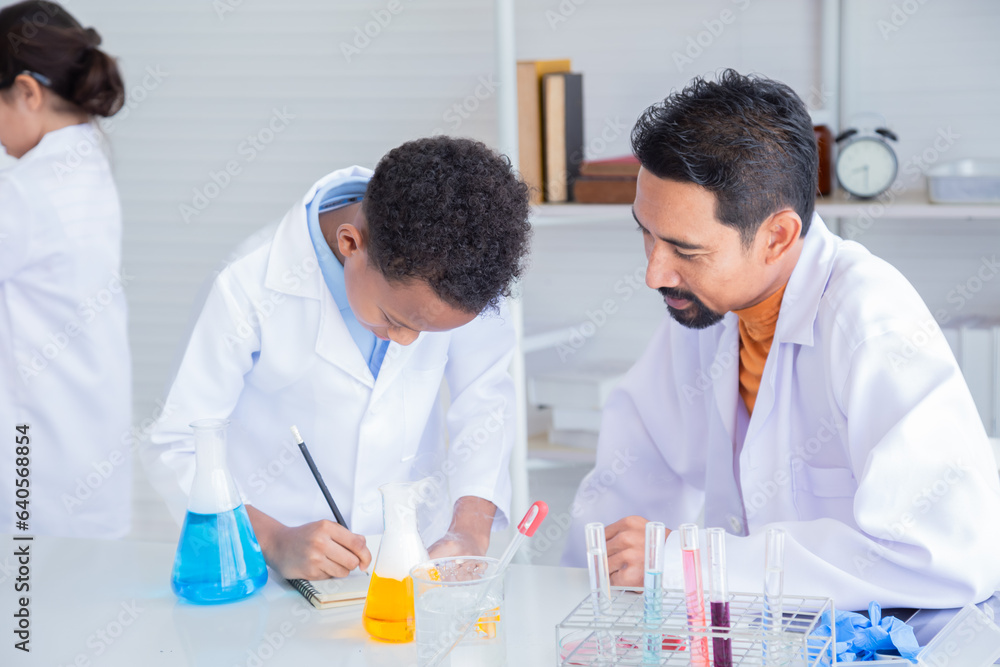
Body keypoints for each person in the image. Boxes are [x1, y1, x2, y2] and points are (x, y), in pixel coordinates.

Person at [562, 69, 1000, 610]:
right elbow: (630, 477)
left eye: (685, 250)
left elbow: (949, 558)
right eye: (645, 234)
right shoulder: (706, 308)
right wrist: (587, 594)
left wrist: (685, 562)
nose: (655, 273)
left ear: (778, 236)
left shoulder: (870, 324)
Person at [145, 136, 531, 581]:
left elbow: (484, 402)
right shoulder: (247, 284)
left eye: (427, 333)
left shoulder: (466, 266)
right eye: (393, 319)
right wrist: (271, 540)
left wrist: (468, 532)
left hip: (413, 563)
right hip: (278, 571)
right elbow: (176, 444)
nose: (407, 341)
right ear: (351, 244)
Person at [0, 1, 131, 538]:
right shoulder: (86, 164)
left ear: (28, 93)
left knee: (27, 619)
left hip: (39, 471)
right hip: (87, 459)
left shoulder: (27, 192)